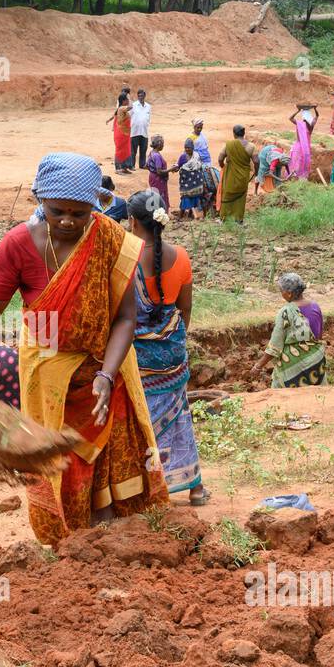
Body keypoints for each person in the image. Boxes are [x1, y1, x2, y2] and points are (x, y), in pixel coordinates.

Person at [0, 152, 167, 545]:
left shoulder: (111, 240)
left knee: (108, 457)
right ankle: (72, 545)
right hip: (48, 371)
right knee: (56, 460)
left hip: (105, 368)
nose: (67, 221)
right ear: (39, 201)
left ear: (96, 206)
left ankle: (111, 541)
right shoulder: (17, 245)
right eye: (57, 211)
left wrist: (106, 373)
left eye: (79, 214)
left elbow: (125, 318)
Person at [126, 190, 208, 505]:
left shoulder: (126, 260)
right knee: (179, 415)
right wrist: (172, 338)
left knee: (141, 421)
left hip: (139, 355)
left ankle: (150, 485)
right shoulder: (182, 257)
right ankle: (195, 486)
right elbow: (184, 311)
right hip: (173, 350)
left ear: (132, 221)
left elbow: (122, 316)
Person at [252, 272, 326, 388]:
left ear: (289, 294)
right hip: (317, 362)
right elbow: (319, 337)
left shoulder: (285, 312)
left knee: (280, 394)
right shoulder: (315, 306)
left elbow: (275, 346)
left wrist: (258, 366)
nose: (281, 294)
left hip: (295, 365)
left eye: (282, 291)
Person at [216, 124, 255, 221]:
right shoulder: (251, 146)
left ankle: (224, 218)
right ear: (244, 133)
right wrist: (257, 172)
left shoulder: (228, 145)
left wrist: (223, 167)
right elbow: (257, 161)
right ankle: (238, 219)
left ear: (234, 134)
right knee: (241, 197)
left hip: (230, 176)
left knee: (227, 195)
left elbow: (220, 158)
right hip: (243, 177)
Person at [175, 136, 207, 219]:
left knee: (198, 197)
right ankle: (180, 217)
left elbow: (199, 167)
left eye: (189, 148)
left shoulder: (196, 156)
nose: (187, 149)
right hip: (186, 183)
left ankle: (204, 217)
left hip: (196, 183)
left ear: (193, 148)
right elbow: (178, 166)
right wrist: (173, 169)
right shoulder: (182, 157)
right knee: (185, 198)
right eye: (185, 148)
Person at [288, 105, 316, 179]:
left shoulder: (299, 123)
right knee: (304, 163)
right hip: (306, 148)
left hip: (298, 147)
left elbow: (290, 118)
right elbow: (317, 116)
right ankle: (302, 178)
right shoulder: (311, 125)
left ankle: (293, 177)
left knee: (296, 163)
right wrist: (315, 109)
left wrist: (298, 111)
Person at [146, 134, 171, 209]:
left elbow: (147, 166)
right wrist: (171, 169)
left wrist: (152, 170)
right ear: (159, 144)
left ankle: (156, 213)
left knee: (155, 196)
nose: (163, 145)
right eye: (163, 143)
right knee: (160, 197)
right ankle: (160, 214)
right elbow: (159, 171)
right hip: (158, 180)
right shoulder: (157, 156)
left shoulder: (152, 153)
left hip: (153, 178)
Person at [111, 93, 134, 174]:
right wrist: (129, 98)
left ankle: (124, 168)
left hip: (124, 134)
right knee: (120, 151)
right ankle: (118, 169)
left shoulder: (120, 109)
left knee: (126, 150)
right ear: (123, 101)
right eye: (127, 99)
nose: (128, 101)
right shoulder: (122, 108)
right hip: (121, 134)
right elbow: (131, 107)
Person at [130, 89, 152, 169]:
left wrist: (146, 124)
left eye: (142, 96)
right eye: (139, 96)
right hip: (134, 131)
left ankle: (142, 165)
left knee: (143, 150)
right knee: (133, 151)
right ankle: (131, 165)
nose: (140, 97)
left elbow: (149, 117)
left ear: (144, 96)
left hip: (144, 131)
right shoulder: (133, 105)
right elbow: (129, 116)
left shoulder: (148, 106)